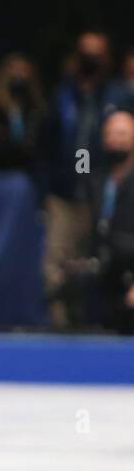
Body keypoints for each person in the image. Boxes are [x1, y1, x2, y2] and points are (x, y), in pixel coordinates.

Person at [43, 30, 130, 326]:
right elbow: (46, 144)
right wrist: (45, 188)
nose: (90, 59)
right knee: (57, 266)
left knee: (101, 261)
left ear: (106, 58)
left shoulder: (118, 95)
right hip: (66, 192)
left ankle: (97, 325)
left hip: (104, 190)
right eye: (85, 52)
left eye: (97, 53)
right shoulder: (63, 94)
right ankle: (60, 329)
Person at [87, 110, 134, 333]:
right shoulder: (96, 180)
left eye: (123, 134)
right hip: (103, 277)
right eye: (111, 134)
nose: (116, 139)